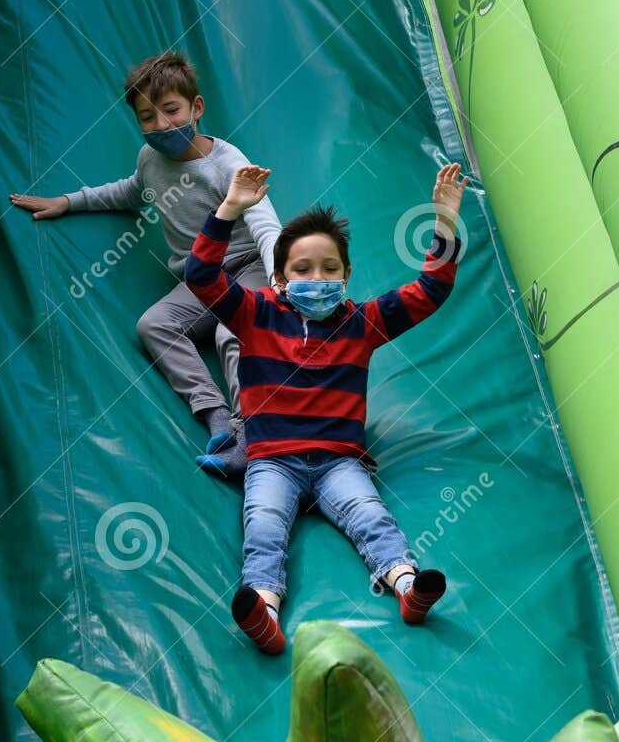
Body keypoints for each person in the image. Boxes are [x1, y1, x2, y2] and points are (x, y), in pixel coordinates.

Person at [185, 160, 468, 652]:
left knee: (369, 514)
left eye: (329, 269)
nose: (317, 277)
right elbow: (201, 275)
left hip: (338, 460)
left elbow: (430, 292)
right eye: (303, 269)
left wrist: (444, 222)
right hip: (274, 457)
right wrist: (230, 208)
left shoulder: (362, 323)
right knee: (265, 524)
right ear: (278, 278)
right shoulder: (256, 314)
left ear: (347, 275)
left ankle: (406, 584)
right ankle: (264, 609)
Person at [10, 51, 279, 477]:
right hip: (201, 278)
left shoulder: (228, 165)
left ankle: (251, 435)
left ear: (197, 107)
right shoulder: (151, 159)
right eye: (147, 118)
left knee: (233, 330)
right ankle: (216, 415)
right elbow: (130, 191)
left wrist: (279, 274)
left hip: (247, 266)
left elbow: (265, 225)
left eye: (171, 110)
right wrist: (69, 202)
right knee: (153, 325)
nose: (162, 125)